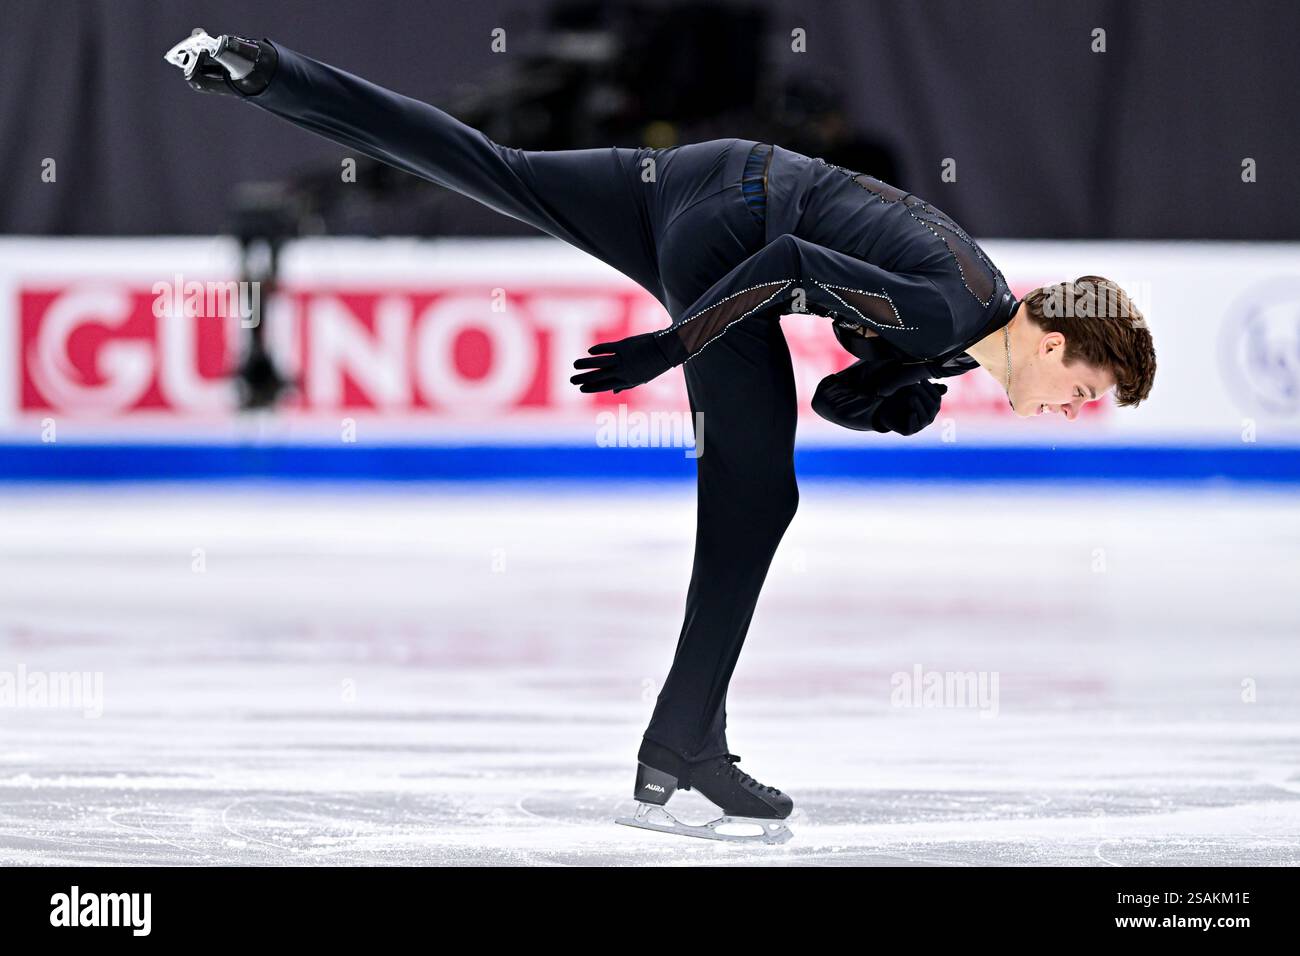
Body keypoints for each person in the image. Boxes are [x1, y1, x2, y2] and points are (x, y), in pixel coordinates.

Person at [167, 32, 1157, 844]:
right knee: (757, 490)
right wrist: (667, 347)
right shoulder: (949, 311)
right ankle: (683, 745)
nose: (1076, 406)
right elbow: (788, 263)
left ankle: (261, 70)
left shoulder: (962, 321)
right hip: (730, 231)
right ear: (1058, 336)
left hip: (687, 179)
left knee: (487, 165)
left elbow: (837, 365)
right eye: (1085, 386)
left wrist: (892, 391)